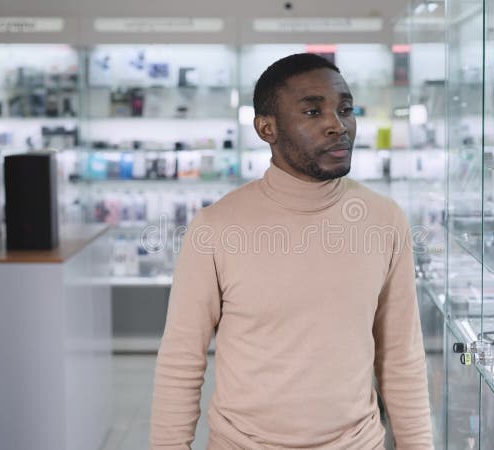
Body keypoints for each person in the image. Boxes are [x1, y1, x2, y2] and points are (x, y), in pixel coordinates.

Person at [151, 53, 433, 449]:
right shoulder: (215, 228)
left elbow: (401, 357)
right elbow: (181, 361)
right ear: (267, 128)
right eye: (313, 111)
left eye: (345, 109)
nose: (338, 125)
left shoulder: (385, 220)